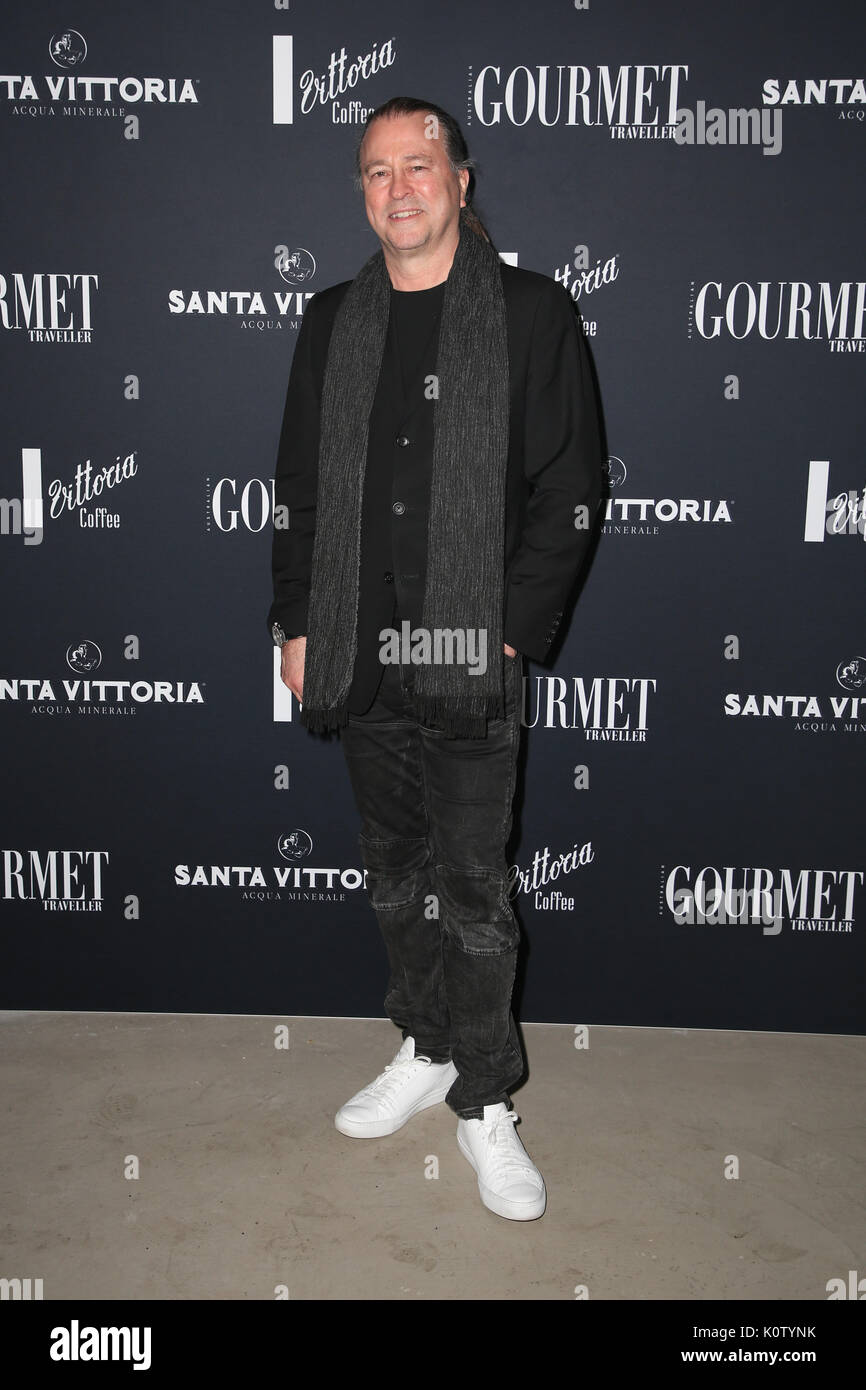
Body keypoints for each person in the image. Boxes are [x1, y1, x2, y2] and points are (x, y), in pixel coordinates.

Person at [268, 96, 602, 1221]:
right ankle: (421, 1043)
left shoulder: (529, 313)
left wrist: (506, 627)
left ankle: (485, 1098)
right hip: (360, 652)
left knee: (472, 889)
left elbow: (567, 492)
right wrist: (294, 620)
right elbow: (302, 490)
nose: (397, 187)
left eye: (419, 164)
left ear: (462, 179)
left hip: (469, 651)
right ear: (360, 193)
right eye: (375, 171)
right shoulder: (331, 320)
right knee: (395, 873)